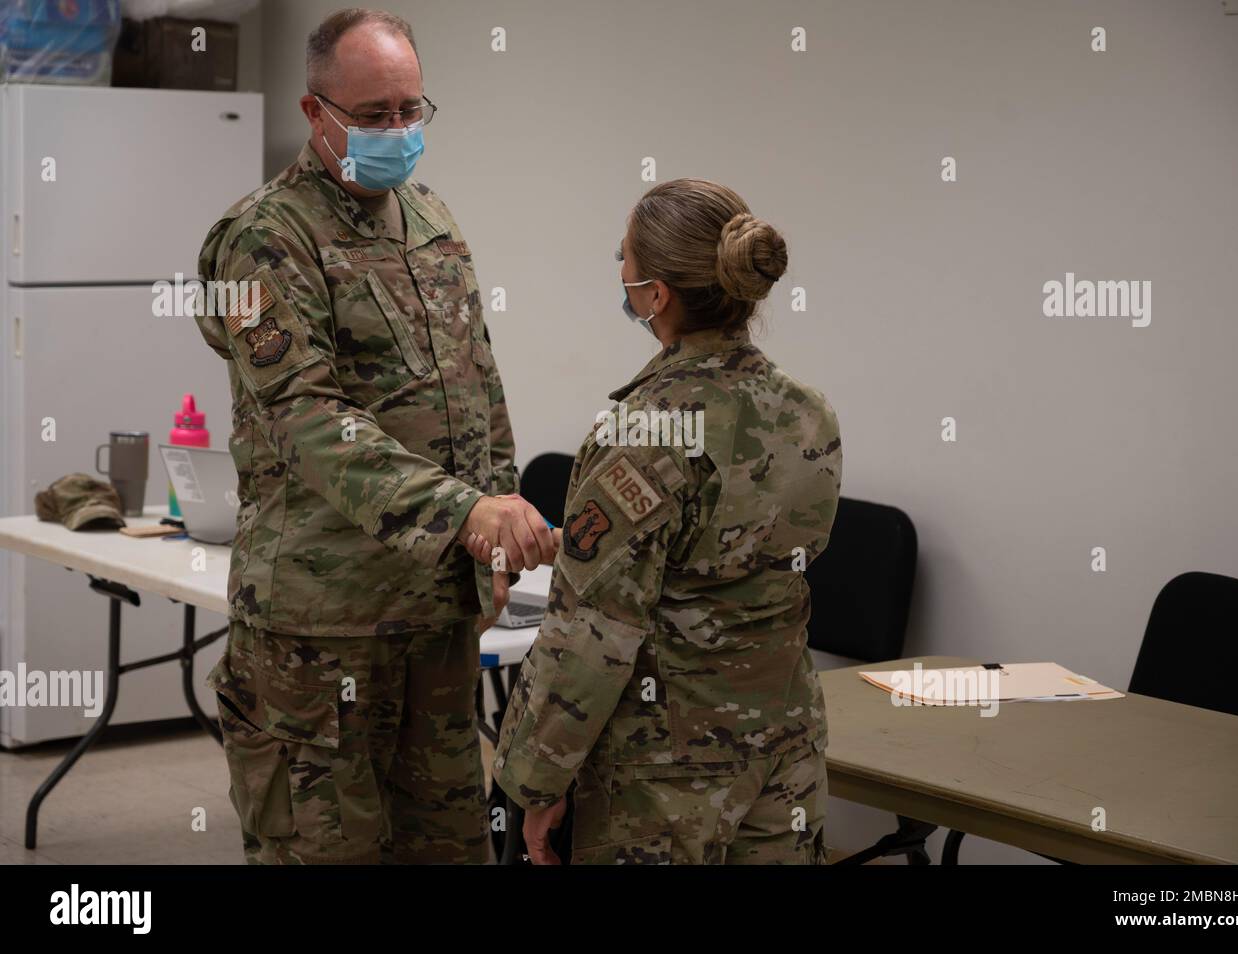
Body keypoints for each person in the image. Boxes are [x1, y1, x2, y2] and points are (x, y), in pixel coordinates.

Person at [192, 8, 554, 865]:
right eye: (375, 115)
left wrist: (490, 544)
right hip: (321, 630)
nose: (398, 132)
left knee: (449, 845)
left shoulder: (429, 219)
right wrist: (466, 514)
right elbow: (308, 419)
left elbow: (477, 390)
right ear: (317, 113)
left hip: (434, 617)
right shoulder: (262, 240)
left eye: (410, 111)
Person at [483, 179, 843, 864]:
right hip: (785, 746)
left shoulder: (645, 428)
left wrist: (535, 782)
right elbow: (746, 557)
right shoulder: (807, 409)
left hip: (667, 772)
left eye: (624, 257)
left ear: (658, 294)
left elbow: (596, 629)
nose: (620, 273)